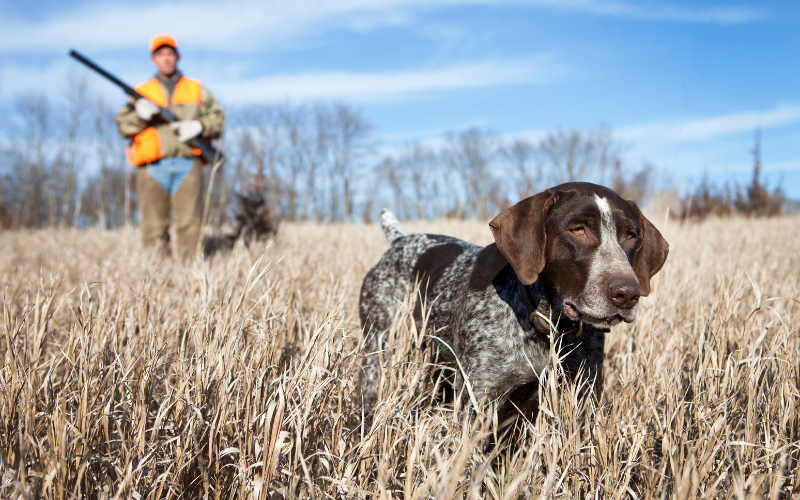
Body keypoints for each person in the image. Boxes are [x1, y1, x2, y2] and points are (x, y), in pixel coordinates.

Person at [116, 33, 225, 259]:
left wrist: (199, 126)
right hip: (152, 166)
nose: (166, 59)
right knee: (153, 227)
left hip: (188, 163)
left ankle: (188, 279)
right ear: (153, 60)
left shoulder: (196, 89)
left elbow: (218, 119)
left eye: (169, 54)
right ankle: (157, 282)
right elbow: (123, 126)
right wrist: (140, 116)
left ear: (177, 57)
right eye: (160, 55)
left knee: (190, 225)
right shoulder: (141, 92)